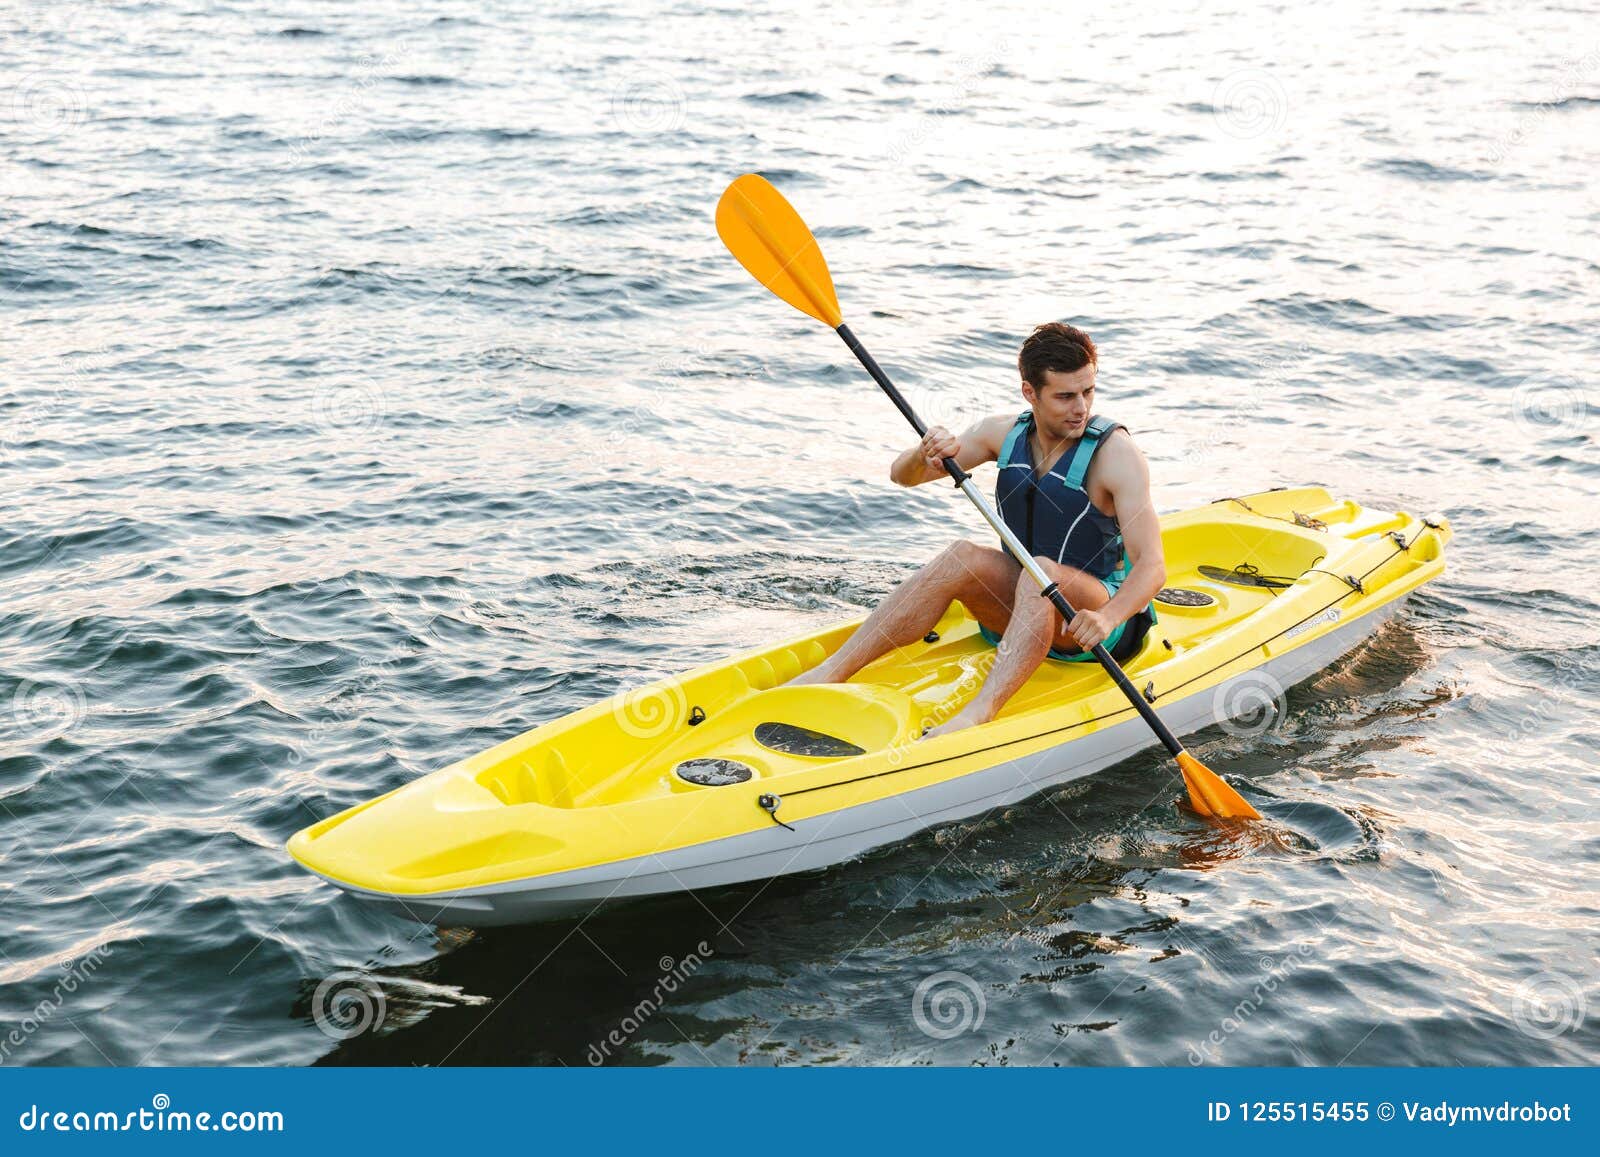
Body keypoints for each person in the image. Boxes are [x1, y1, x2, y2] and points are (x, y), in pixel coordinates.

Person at [790, 322, 1164, 737]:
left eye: (1088, 392)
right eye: (1065, 396)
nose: (1081, 407)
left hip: (1097, 624)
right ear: (1030, 393)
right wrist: (924, 453)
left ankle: (979, 713)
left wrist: (1108, 618)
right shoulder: (1000, 434)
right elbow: (903, 476)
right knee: (961, 556)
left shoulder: (1117, 456)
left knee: (1042, 571)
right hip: (1026, 603)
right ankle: (831, 671)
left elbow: (1152, 566)